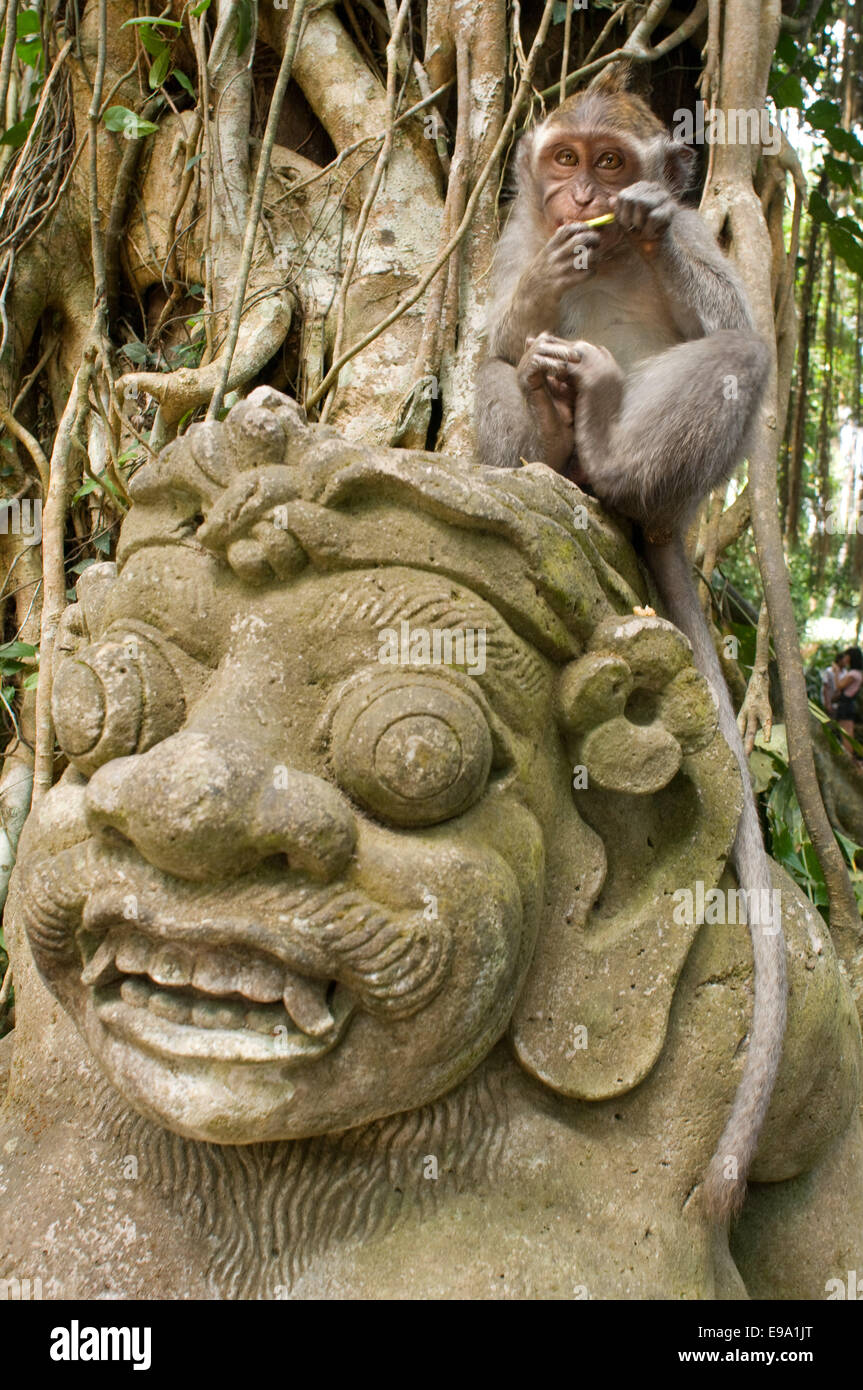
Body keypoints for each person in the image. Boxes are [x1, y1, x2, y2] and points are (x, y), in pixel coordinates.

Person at [834, 646, 863, 761]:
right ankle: (850, 758)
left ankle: (849, 759)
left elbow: (839, 685)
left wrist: (836, 672)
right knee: (848, 733)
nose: (844, 658)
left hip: (845, 705)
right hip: (849, 705)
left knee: (845, 734)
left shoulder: (853, 674)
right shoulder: (858, 673)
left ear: (851, 657)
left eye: (846, 656)